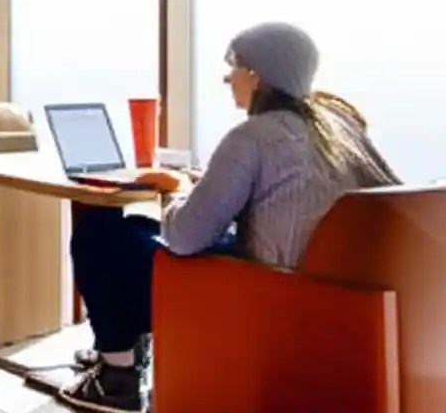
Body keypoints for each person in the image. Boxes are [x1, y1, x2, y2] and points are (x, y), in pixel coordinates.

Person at [60, 22, 401, 413]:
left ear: (257, 74)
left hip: (262, 288)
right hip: (329, 286)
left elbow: (185, 237)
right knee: (138, 229)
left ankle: (116, 376)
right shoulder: (342, 130)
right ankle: (127, 351)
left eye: (234, 64)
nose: (227, 77)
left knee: (102, 235)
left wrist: (176, 190)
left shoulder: (252, 137)